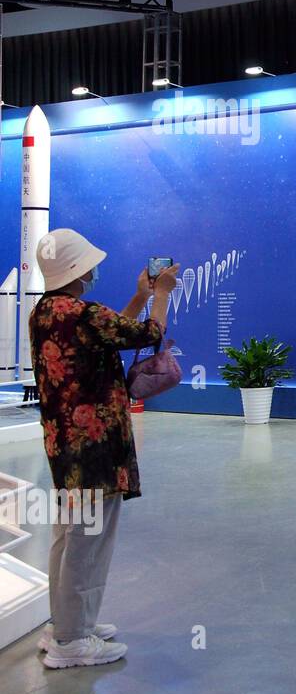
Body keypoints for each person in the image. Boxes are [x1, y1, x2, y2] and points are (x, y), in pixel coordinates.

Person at [29, 228, 178, 669]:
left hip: (66, 446)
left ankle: (67, 623)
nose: (95, 270)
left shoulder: (48, 311)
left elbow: (112, 331)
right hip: (94, 449)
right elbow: (147, 333)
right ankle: (72, 641)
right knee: (87, 540)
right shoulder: (80, 313)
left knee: (70, 535)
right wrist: (162, 294)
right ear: (77, 269)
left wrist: (137, 296)